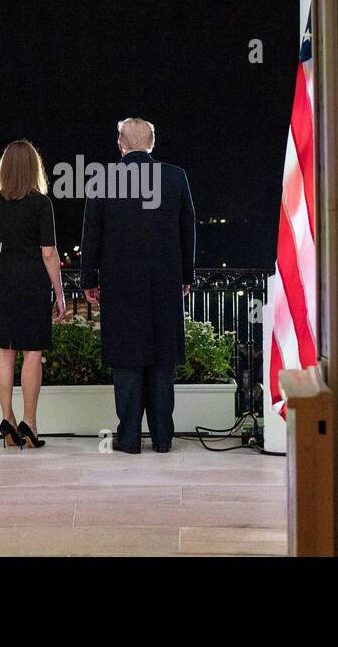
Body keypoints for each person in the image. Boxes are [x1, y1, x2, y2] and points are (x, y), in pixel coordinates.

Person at [80, 118, 195, 454]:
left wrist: (89, 281)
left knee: (127, 361)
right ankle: (163, 439)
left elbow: (92, 235)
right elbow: (188, 231)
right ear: (152, 143)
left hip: (120, 288)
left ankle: (128, 439)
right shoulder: (175, 177)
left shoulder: (103, 179)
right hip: (165, 285)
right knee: (162, 360)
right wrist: (186, 276)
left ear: (121, 144)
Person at [0, 140, 67, 450]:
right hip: (33, 280)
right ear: (34, 168)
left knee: (6, 350)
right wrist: (59, 293)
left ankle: (7, 418)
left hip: (7, 279)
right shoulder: (41, 204)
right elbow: (49, 253)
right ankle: (29, 424)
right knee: (33, 352)